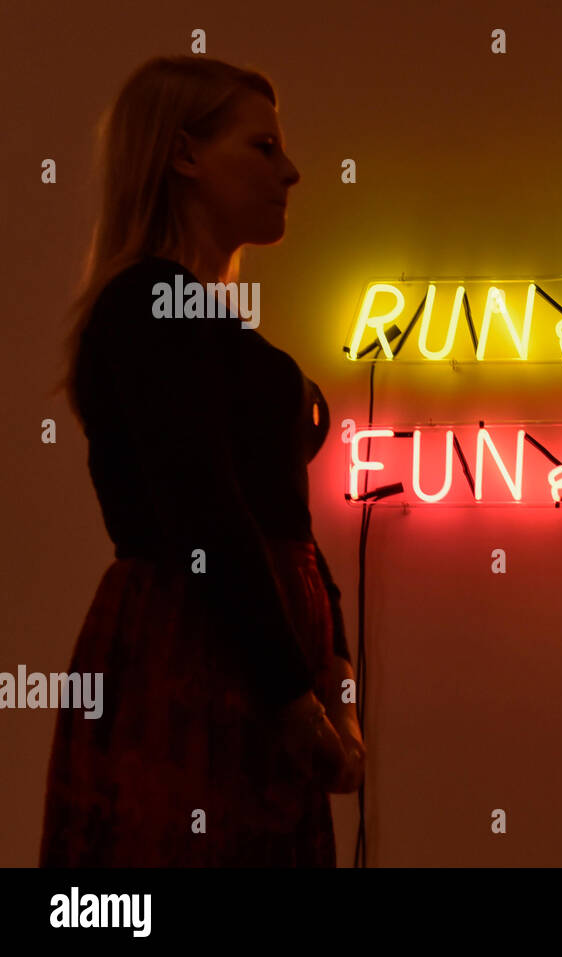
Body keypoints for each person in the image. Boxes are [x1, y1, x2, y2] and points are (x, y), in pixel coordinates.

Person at [41, 55, 364, 866]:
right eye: (261, 147)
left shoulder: (188, 316)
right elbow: (206, 513)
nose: (289, 170)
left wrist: (333, 679)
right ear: (184, 155)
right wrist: (299, 698)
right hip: (202, 658)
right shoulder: (147, 307)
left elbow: (276, 512)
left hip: (246, 659)